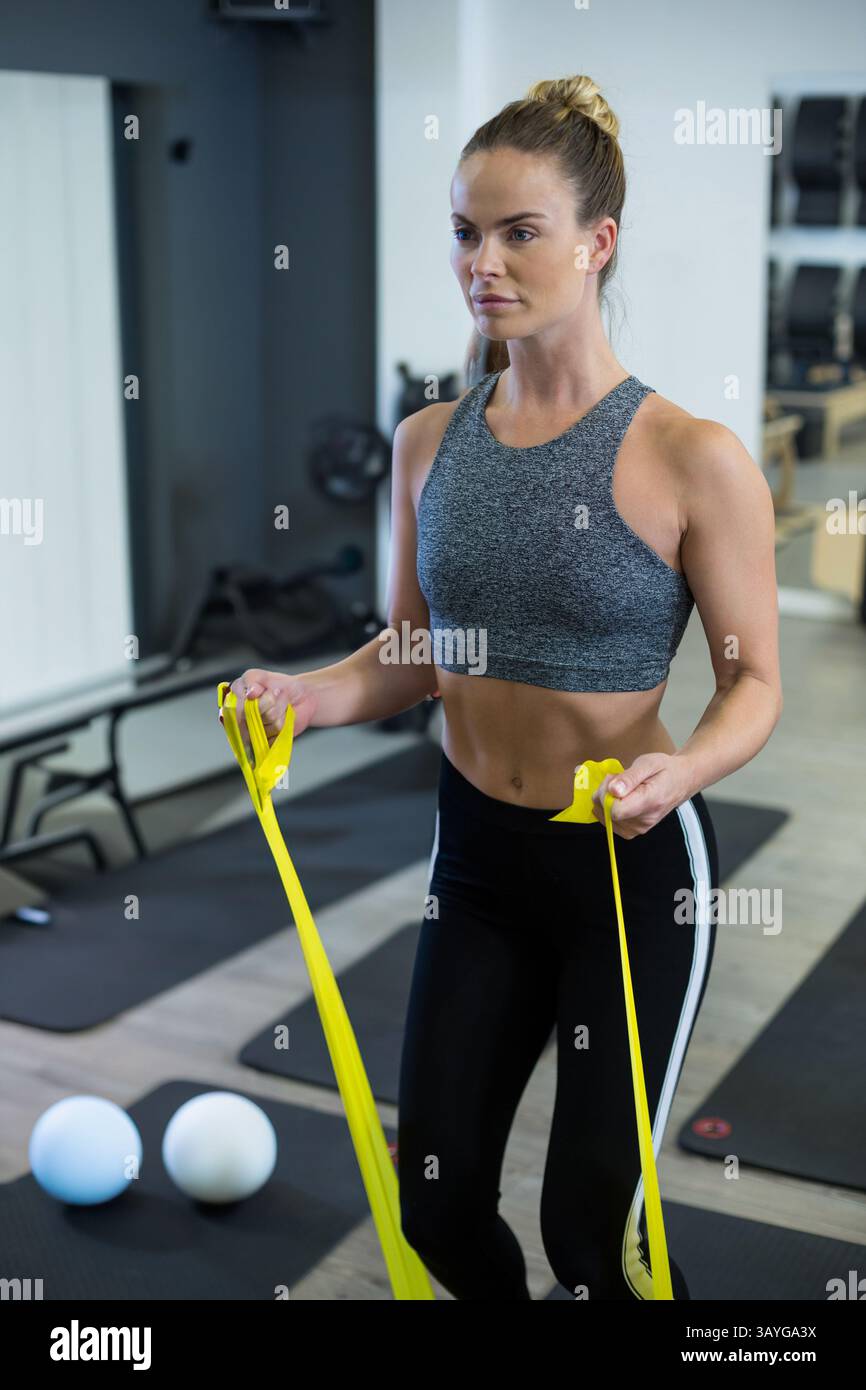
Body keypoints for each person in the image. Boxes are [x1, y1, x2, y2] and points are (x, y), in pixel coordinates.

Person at [224, 73, 782, 1300]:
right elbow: (411, 652)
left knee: (593, 1240)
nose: (483, 260)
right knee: (433, 1210)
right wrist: (304, 696)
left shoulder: (692, 457)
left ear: (597, 241)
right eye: (466, 232)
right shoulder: (430, 442)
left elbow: (752, 687)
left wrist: (682, 766)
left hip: (626, 875)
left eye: (519, 231)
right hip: (473, 861)